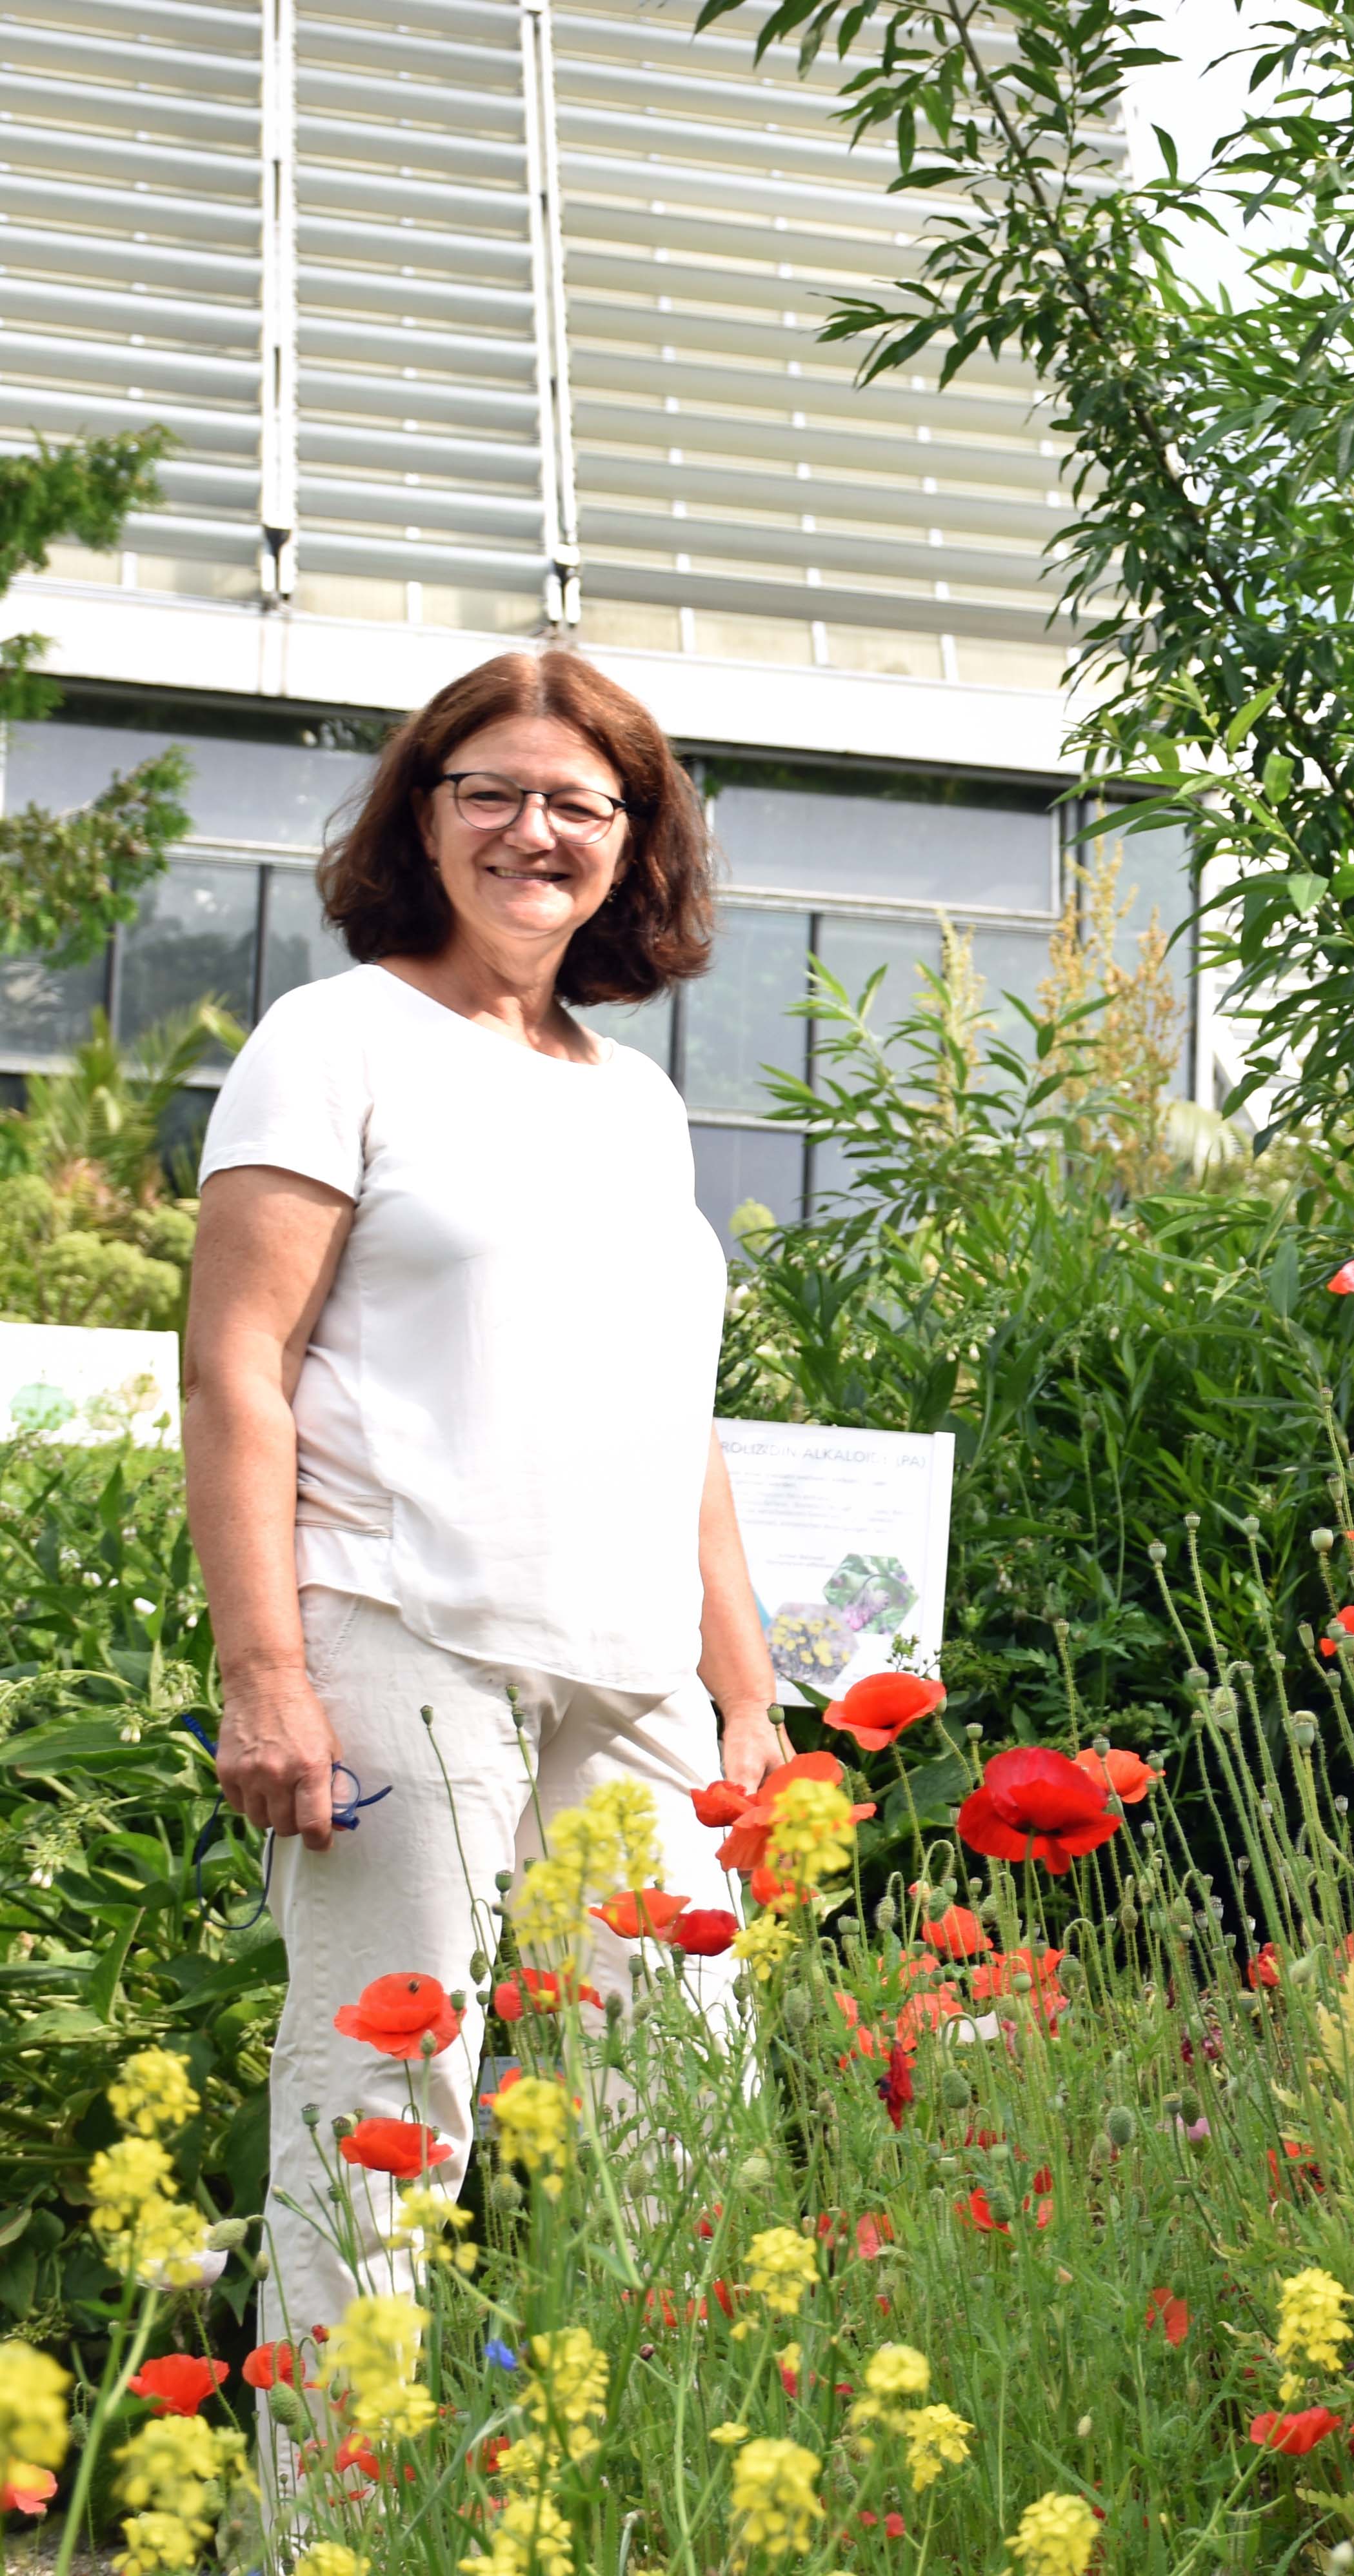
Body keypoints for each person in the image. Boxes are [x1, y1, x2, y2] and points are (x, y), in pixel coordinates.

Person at [183, 649, 789, 2359]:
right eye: (494, 793)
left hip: (638, 1682)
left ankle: (642, 2513)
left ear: (634, 842)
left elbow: (682, 1419)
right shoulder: (335, 1039)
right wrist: (264, 1671)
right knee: (384, 2112)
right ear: (427, 817)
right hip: (403, 1633)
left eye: (581, 804)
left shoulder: (640, 1100)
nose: (537, 831)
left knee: (684, 2115)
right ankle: (331, 2535)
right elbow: (237, 1368)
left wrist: (746, 1695)